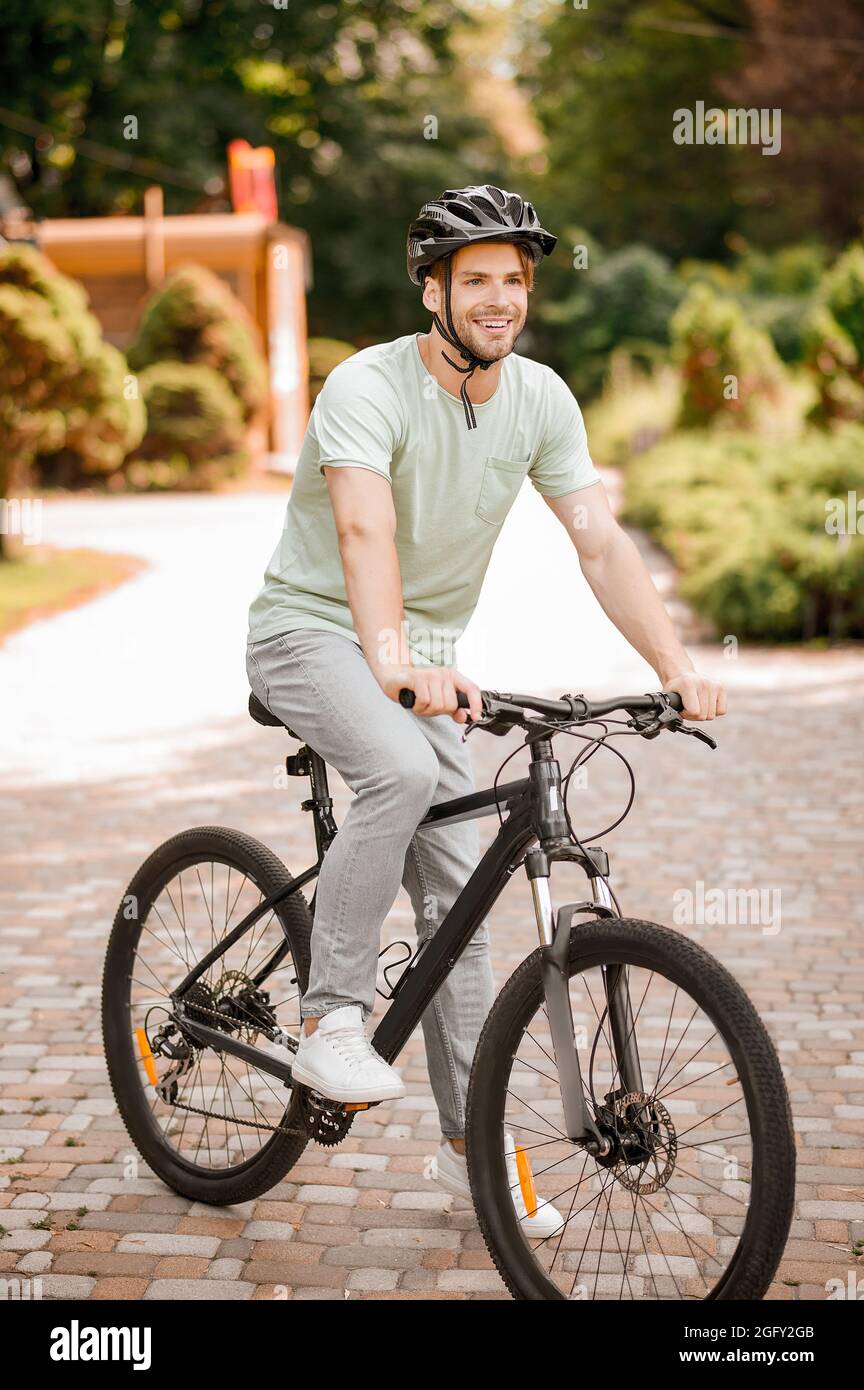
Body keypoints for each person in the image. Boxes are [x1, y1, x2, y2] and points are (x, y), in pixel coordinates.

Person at [245, 183, 726, 1228]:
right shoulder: (366, 386)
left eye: (516, 279)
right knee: (405, 769)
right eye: (478, 281)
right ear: (433, 289)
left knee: (461, 910)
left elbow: (597, 539)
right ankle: (332, 1018)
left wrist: (676, 663)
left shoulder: (541, 399)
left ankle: (476, 1151)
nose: (501, 299)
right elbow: (365, 535)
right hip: (310, 632)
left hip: (422, 659)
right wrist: (397, 664)